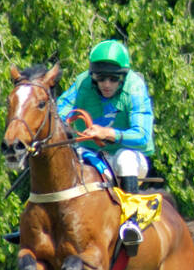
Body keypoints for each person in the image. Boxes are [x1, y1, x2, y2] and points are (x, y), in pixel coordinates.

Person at [56, 39, 156, 246]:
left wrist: (109, 133)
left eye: (113, 78)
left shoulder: (135, 87)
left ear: (123, 77)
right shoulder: (83, 83)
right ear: (93, 77)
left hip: (130, 158)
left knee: (124, 158)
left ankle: (132, 222)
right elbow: (57, 113)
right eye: (101, 78)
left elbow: (143, 137)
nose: (106, 84)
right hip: (90, 154)